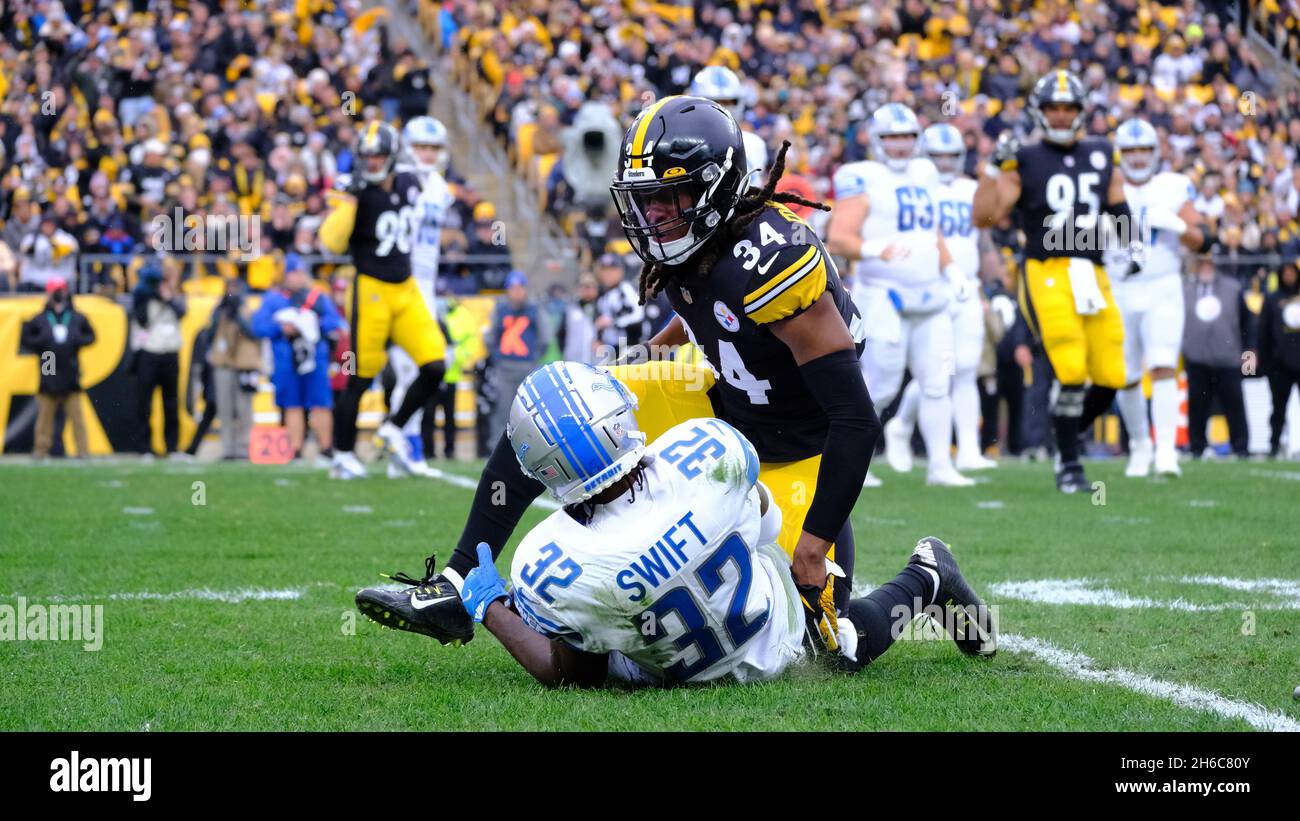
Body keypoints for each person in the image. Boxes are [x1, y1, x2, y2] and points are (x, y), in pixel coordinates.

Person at [356, 96, 878, 648]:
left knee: (816, 644)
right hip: (721, 407)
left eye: (663, 199)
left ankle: (927, 576)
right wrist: (654, 348)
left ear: (713, 190)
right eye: (642, 200)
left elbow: (856, 418)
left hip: (798, 456)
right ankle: (457, 586)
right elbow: (706, 303)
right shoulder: (691, 242)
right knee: (555, 410)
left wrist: (814, 546)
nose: (650, 215)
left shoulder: (771, 261)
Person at [377, 362, 994, 686]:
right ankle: (910, 583)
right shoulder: (704, 450)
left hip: (709, 649)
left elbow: (570, 676)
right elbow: (762, 528)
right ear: (621, 420)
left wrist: (492, 607)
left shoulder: (549, 558)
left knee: (842, 649)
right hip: (769, 609)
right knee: (831, 639)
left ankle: (928, 573)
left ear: (544, 471)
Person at [973, 70, 1132, 493]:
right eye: (1053, 108)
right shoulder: (1023, 159)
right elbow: (983, 217)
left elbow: (1118, 204)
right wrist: (991, 166)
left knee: (1113, 372)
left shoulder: (1102, 152)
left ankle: (1064, 438)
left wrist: (1132, 246)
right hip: (1045, 269)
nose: (1061, 116)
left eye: (1068, 108)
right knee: (1070, 365)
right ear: (1040, 112)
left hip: (1091, 270)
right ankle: (1070, 464)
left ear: (1081, 111)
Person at [826, 103, 973, 487]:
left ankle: (941, 465)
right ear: (876, 140)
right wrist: (877, 249)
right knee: (880, 384)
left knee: (939, 380)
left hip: (931, 295)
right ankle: (853, 463)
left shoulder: (925, 172)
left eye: (907, 136)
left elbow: (932, 233)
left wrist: (952, 269)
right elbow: (839, 237)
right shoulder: (862, 177)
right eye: (892, 137)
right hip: (883, 294)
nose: (900, 145)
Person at [319, 120, 447, 479]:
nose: (372, 163)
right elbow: (330, 241)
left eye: (378, 156)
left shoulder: (410, 181)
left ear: (392, 157)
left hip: (406, 287)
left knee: (435, 363)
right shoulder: (357, 191)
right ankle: (342, 454)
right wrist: (349, 201)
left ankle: (393, 428)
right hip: (371, 290)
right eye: (367, 156)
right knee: (361, 377)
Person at [878, 123, 998, 474]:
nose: (944, 163)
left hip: (966, 284)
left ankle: (969, 449)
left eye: (951, 156)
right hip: (928, 285)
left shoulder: (971, 189)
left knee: (966, 369)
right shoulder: (914, 187)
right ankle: (901, 427)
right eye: (937, 156)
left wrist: (997, 288)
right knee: (940, 372)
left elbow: (985, 241)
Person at [1107, 118, 1212, 478]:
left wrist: (1179, 226)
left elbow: (1204, 242)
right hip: (1118, 287)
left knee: (1164, 364)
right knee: (1126, 375)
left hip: (1163, 286)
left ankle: (1166, 450)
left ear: (1156, 152)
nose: (1137, 157)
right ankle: (1139, 444)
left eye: (1144, 150)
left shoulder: (1173, 186)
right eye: (1131, 150)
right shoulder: (1105, 186)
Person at [252, 256, 344, 467]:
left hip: (315, 359)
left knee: (321, 404)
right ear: (286, 275)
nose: (299, 277)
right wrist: (282, 328)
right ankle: (296, 451)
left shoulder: (317, 297)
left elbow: (333, 322)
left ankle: (326, 449)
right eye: (295, 273)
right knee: (293, 405)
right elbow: (258, 326)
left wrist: (312, 324)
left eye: (302, 273)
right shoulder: (274, 299)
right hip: (286, 361)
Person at [1183, 255, 1252, 459]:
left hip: (1228, 358)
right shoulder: (1185, 289)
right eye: (1201, 263)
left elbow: (1248, 324)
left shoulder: (1233, 288)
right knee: (1197, 406)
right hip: (1196, 358)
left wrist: (1248, 354)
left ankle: (1240, 448)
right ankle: (1196, 447)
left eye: (1207, 263)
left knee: (1234, 405)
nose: (1204, 267)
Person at [20, 277, 95, 459]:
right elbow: (26, 340)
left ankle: (83, 451)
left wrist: (76, 340)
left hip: (69, 363)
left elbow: (91, 336)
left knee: (76, 415)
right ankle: (41, 450)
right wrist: (44, 341)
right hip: (49, 359)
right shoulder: (41, 318)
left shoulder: (76, 317)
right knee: (45, 411)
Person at [484, 270, 549, 444]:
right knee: (502, 411)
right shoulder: (500, 309)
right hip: (504, 367)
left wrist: (533, 358)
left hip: (527, 367)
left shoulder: (535, 309)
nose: (517, 292)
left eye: (520, 288)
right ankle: (496, 450)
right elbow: (490, 337)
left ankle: (531, 449)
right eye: (513, 288)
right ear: (507, 290)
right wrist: (498, 358)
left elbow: (545, 339)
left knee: (528, 413)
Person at [130, 260, 185, 457]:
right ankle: (145, 448)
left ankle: (172, 447)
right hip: (149, 352)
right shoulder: (143, 295)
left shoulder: (175, 295)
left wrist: (167, 297)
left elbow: (182, 312)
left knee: (171, 403)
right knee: (145, 403)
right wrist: (154, 294)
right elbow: (141, 319)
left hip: (170, 353)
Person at [203, 277, 262, 460]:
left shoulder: (249, 310)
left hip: (244, 364)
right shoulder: (219, 311)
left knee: (244, 407)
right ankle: (228, 448)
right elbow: (210, 334)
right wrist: (220, 313)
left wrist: (238, 316)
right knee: (225, 407)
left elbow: (254, 334)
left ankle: (244, 448)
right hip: (223, 363)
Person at [1258, 260, 1300, 458]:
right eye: (1286, 273)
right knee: (1278, 409)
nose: (1289, 276)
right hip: (1279, 365)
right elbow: (1263, 332)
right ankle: (1274, 445)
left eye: (1293, 273)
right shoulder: (1272, 299)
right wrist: (1264, 362)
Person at [593, 253, 645, 357]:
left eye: (612, 269)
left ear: (621, 271)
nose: (607, 273)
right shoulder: (603, 295)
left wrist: (613, 322)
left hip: (629, 348)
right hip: (611, 349)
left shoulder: (626, 289)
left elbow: (638, 315)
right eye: (604, 269)